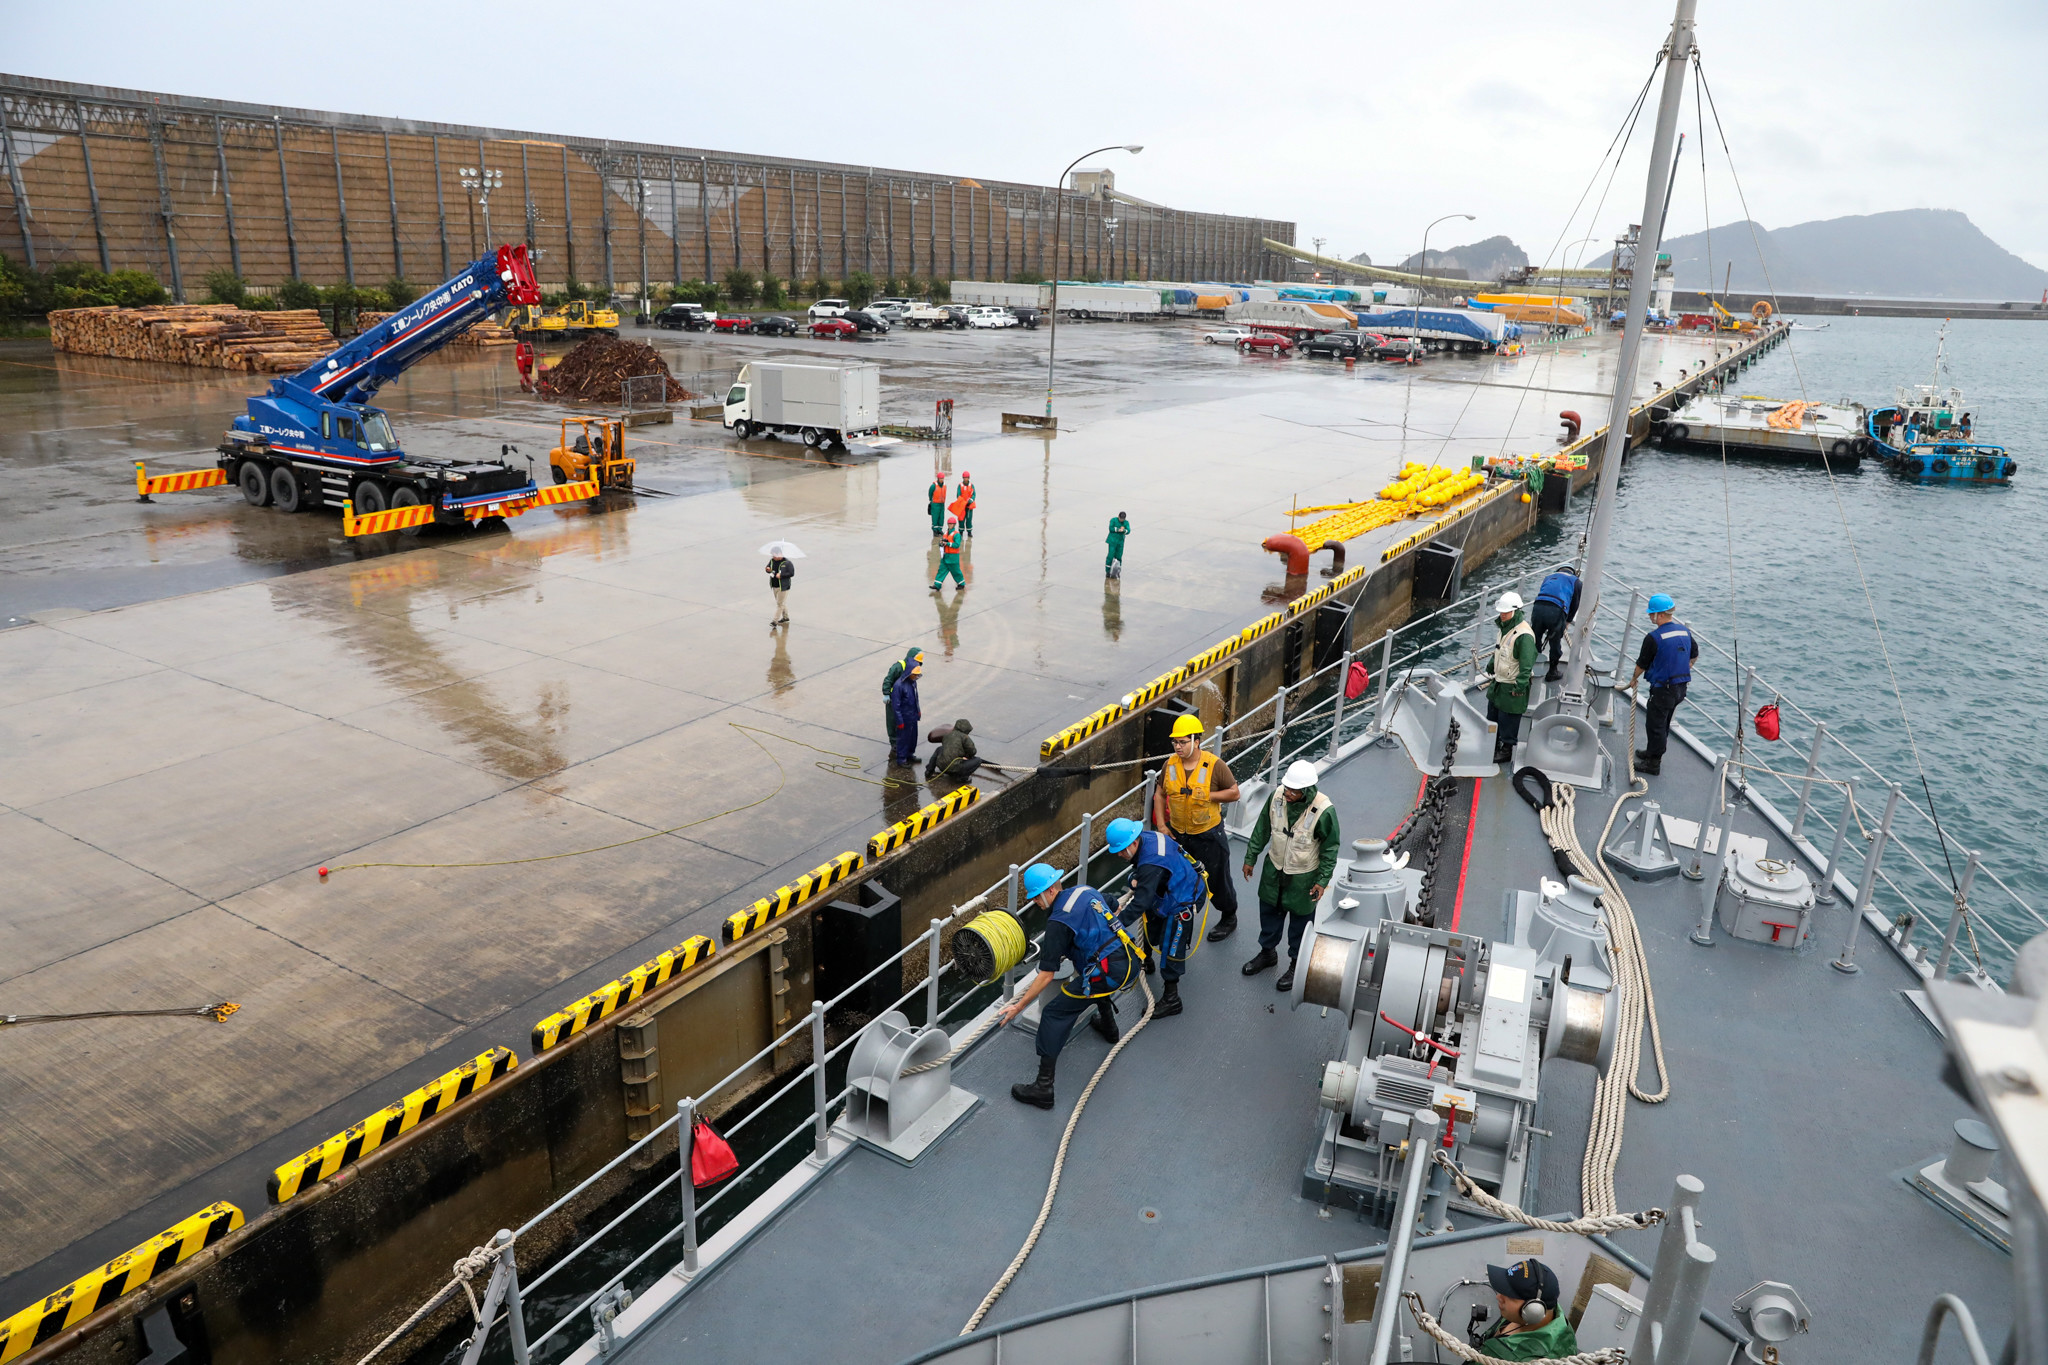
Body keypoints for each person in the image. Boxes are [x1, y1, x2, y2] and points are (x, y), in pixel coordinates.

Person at [998, 862, 1145, 1108]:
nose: (1035, 902)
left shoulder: (1057, 922)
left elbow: (1046, 975)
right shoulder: (1085, 890)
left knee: (1054, 1013)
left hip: (1108, 974)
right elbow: (1115, 906)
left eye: (1036, 897)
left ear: (1051, 891)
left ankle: (1043, 1087)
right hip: (1129, 958)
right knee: (1089, 975)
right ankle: (1109, 1028)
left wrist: (1018, 1006)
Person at [1241, 759, 1339, 990]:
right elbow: (1262, 828)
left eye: (1294, 791)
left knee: (1301, 922)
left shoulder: (1324, 810)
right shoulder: (1276, 797)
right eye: (1287, 788)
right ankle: (1267, 953)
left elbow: (1330, 848)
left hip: (1303, 876)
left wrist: (1322, 881)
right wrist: (1250, 857)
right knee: (1269, 912)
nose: (1288, 793)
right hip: (1274, 868)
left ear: (1306, 790)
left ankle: (1297, 963)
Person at [1150, 714, 1243, 941]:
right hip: (1178, 835)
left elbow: (1234, 793)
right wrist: (1162, 825)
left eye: (1182, 742)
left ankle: (1229, 916)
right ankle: (1172, 915)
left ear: (1196, 741)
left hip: (1208, 834)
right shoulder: (1169, 765)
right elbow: (1159, 795)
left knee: (1218, 879)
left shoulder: (1214, 765)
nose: (1178, 747)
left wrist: (1209, 795)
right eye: (1175, 742)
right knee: (1176, 876)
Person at [1104, 818, 1206, 1018]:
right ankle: (1147, 960)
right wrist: (1135, 878)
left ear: (1134, 842)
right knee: (1150, 925)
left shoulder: (1151, 864)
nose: (1120, 855)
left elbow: (1140, 903)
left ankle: (1172, 999)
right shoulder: (1148, 837)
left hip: (1182, 900)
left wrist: (1115, 925)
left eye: (1122, 850)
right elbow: (1146, 872)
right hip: (1170, 887)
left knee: (1171, 946)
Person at [1630, 593, 1697, 776]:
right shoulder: (1685, 632)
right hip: (1680, 688)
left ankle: (1653, 764)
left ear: (1659, 614)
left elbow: (1642, 664)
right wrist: (1685, 666)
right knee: (1664, 722)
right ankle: (1651, 752)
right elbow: (1694, 654)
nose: (1649, 616)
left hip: (1663, 690)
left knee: (1655, 725)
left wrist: (1633, 679)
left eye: (1651, 613)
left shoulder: (1654, 637)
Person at [1477, 1259, 1577, 1360]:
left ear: (1534, 1310)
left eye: (1510, 1296)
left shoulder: (1527, 1360)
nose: (1498, 1297)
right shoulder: (1551, 1314)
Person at [1486, 591, 1538, 765]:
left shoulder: (1524, 636)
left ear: (1516, 610)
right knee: (1493, 714)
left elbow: (1526, 664)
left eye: (1506, 612)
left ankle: (1506, 749)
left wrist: (1520, 686)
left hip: (1512, 684)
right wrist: (1491, 664)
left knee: (1509, 718)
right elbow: (1500, 650)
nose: (1502, 615)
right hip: (1500, 681)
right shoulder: (1504, 628)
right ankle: (1492, 742)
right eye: (1501, 611)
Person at [1529, 566, 1581, 681]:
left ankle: (1533, 668)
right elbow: (1575, 604)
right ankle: (1552, 672)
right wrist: (1568, 621)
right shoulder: (1576, 581)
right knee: (1554, 641)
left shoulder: (1548, 577)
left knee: (1535, 637)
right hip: (1556, 611)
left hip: (1538, 607)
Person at [881, 648, 923, 756]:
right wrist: (886, 693)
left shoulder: (913, 669)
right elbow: (888, 680)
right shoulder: (898, 667)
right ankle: (894, 744)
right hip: (893, 699)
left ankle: (905, 747)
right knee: (893, 721)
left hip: (905, 700)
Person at [924, 718, 981, 782]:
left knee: (939, 749)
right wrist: (967, 756)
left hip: (942, 767)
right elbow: (973, 751)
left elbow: (947, 748)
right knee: (978, 760)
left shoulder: (947, 735)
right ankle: (962, 778)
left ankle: (929, 771)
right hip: (955, 769)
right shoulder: (965, 737)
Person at [930, 518, 965, 591]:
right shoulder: (945, 533)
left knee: (956, 571)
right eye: (949, 524)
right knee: (941, 570)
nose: (950, 525)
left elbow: (957, 545)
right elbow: (942, 542)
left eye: (951, 524)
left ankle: (961, 584)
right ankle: (937, 585)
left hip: (953, 557)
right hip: (945, 556)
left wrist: (947, 543)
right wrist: (941, 543)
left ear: (954, 525)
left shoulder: (956, 534)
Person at [764, 550, 794, 627]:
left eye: (774, 555)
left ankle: (774, 621)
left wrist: (781, 575)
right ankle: (785, 618)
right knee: (781, 603)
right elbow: (769, 570)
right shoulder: (772, 561)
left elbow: (791, 573)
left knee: (779, 604)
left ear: (779, 554)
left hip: (783, 586)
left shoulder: (787, 563)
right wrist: (767, 569)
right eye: (772, 555)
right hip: (774, 585)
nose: (773, 557)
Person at [1105, 511, 1130, 578]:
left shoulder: (1126, 523)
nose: (1122, 520)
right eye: (1121, 518)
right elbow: (1111, 528)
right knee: (1110, 556)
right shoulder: (1113, 520)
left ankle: (1117, 571)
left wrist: (1124, 530)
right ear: (1118, 516)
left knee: (1119, 556)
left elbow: (1128, 530)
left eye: (1123, 519)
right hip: (1112, 541)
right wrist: (1118, 530)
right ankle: (1108, 571)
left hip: (1120, 542)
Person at [927, 473, 949, 537]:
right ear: (938, 478)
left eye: (942, 478)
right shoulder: (933, 486)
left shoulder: (944, 485)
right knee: (935, 517)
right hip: (935, 504)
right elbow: (930, 493)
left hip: (942, 504)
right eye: (940, 478)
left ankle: (940, 530)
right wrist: (931, 500)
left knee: (941, 517)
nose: (941, 480)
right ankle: (935, 531)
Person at [956, 471, 976, 536]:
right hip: (962, 505)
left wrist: (971, 500)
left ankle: (969, 532)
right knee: (961, 519)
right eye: (964, 478)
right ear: (963, 478)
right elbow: (958, 495)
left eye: (967, 478)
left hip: (969, 505)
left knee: (969, 519)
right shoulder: (960, 485)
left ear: (969, 478)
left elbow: (974, 494)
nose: (966, 479)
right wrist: (963, 502)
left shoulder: (971, 485)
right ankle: (961, 532)